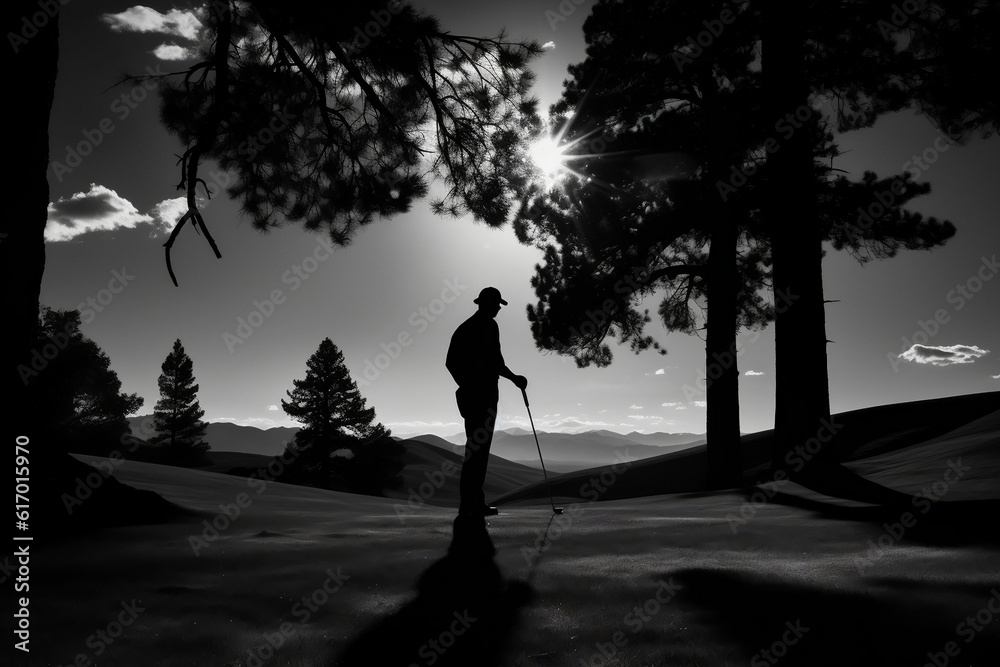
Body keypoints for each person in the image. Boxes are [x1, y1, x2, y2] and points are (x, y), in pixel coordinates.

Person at [446, 287, 527, 517]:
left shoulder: (480, 327)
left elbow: (495, 363)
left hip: (485, 395)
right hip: (479, 397)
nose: (499, 308)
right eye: (496, 304)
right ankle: (471, 505)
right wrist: (471, 385)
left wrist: (513, 379)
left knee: (478, 450)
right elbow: (453, 362)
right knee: (477, 450)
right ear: (485, 304)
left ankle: (473, 503)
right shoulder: (478, 327)